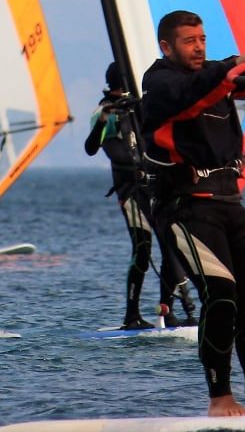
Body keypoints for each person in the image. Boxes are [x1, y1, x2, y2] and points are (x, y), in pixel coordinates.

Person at [138, 10, 245, 417]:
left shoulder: (213, 77)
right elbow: (198, 90)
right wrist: (234, 65)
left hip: (229, 203)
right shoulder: (160, 84)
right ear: (166, 47)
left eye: (203, 38)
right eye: (190, 41)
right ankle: (220, 396)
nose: (200, 46)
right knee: (221, 293)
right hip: (184, 207)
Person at [84, 60, 196, 330]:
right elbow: (108, 152)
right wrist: (104, 120)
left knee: (172, 246)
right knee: (143, 249)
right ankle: (131, 316)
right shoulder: (106, 113)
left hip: (156, 189)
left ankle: (166, 311)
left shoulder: (141, 108)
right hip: (131, 192)